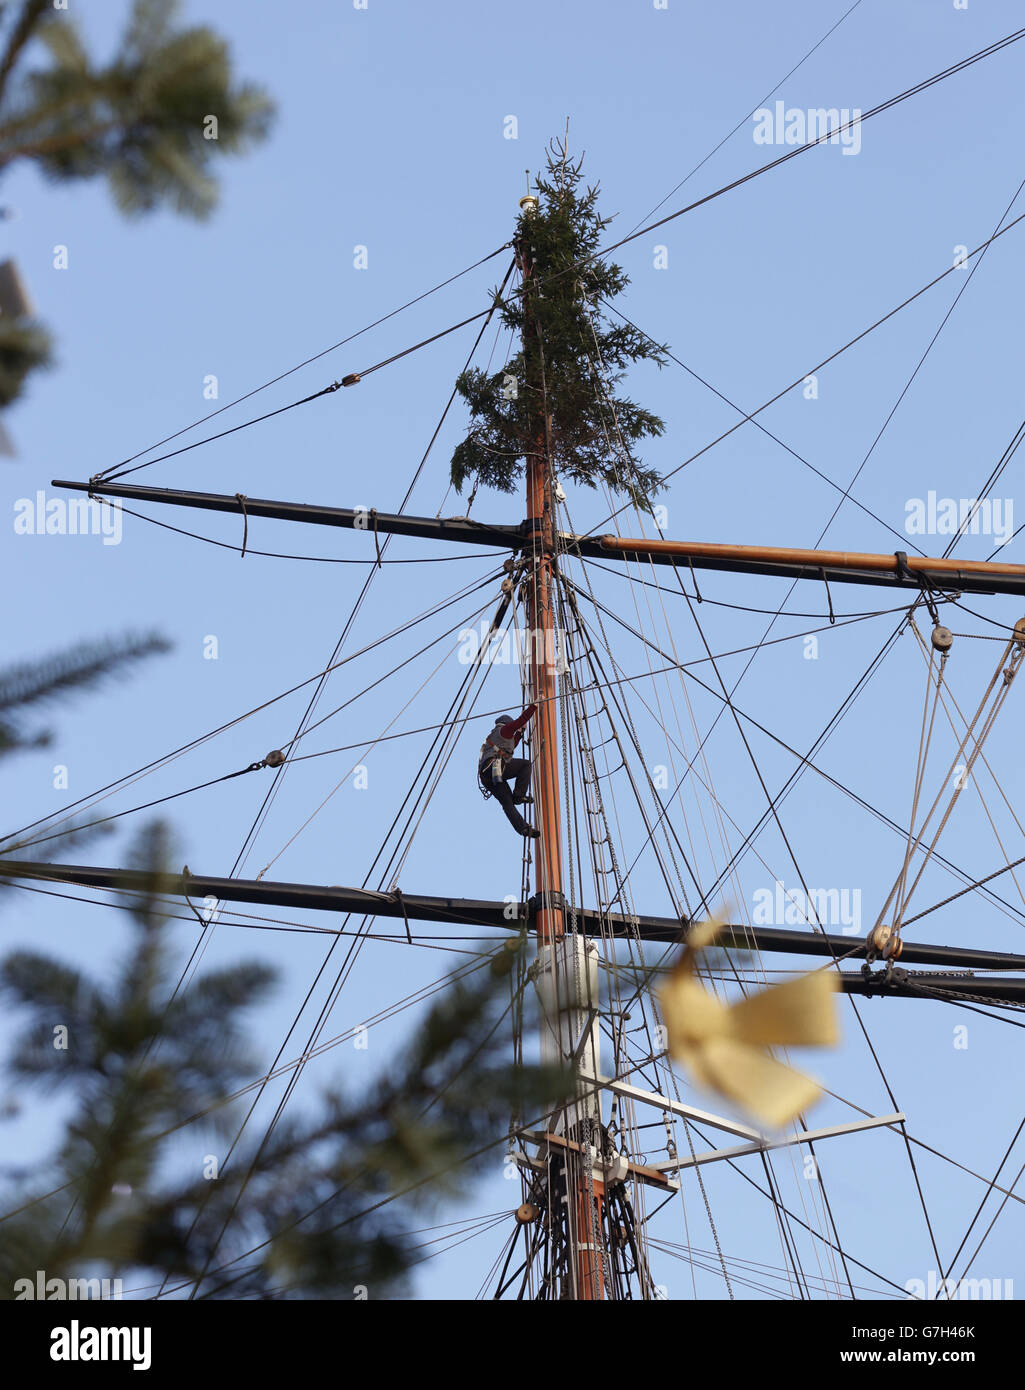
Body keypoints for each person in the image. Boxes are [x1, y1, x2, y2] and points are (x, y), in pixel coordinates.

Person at [479, 704, 540, 838]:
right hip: (495, 766)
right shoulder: (504, 730)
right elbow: (520, 720)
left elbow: (512, 744)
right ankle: (519, 795)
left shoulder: (495, 736)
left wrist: (520, 733)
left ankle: (523, 829)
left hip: (488, 775)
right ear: (507, 724)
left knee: (507, 802)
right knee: (525, 765)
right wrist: (534, 706)